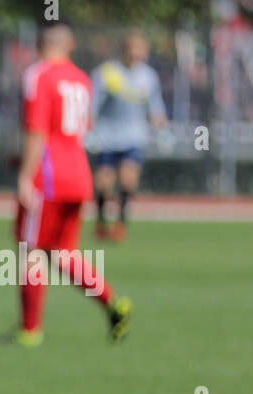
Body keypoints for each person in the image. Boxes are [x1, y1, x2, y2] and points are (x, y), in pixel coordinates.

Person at [15, 23, 133, 346]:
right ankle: (112, 302)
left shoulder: (39, 75)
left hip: (48, 177)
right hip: (78, 174)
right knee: (63, 254)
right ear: (70, 45)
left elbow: (37, 130)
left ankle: (29, 331)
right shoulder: (81, 79)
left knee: (31, 253)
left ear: (38, 46)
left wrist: (25, 175)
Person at [90, 31, 167, 240]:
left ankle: (120, 224)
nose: (140, 53)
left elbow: (156, 107)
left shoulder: (149, 76)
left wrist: (161, 126)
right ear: (125, 49)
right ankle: (100, 221)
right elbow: (92, 105)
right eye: (136, 48)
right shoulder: (106, 73)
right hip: (107, 136)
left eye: (143, 49)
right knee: (104, 183)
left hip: (134, 136)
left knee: (128, 180)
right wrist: (89, 125)